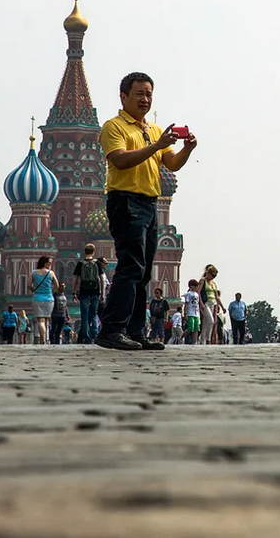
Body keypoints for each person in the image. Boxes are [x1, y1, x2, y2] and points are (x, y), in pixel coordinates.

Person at [97, 71, 198, 351]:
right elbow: (119, 160)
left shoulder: (153, 130)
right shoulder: (114, 127)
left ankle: (135, 331)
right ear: (124, 96)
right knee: (129, 267)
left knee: (142, 273)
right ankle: (111, 329)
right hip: (125, 200)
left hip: (149, 203)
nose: (145, 99)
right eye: (139, 94)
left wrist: (187, 149)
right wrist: (156, 145)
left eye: (149, 94)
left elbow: (172, 164)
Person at [72, 244, 106, 343]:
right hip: (95, 291)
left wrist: (74, 292)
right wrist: (102, 294)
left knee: (84, 315)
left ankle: (86, 338)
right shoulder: (98, 263)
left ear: (85, 251)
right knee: (94, 314)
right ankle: (94, 335)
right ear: (94, 252)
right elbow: (102, 279)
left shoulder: (80, 263)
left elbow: (75, 279)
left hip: (84, 292)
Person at [29, 255, 58, 345]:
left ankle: (43, 340)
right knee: (45, 319)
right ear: (44, 262)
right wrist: (50, 291)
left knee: (40, 320)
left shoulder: (33, 273)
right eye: (48, 262)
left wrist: (34, 290)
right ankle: (44, 339)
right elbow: (57, 286)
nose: (50, 264)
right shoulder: (51, 273)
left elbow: (28, 285)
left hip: (37, 298)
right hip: (49, 299)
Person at [200, 266, 220, 345]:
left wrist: (221, 306)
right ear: (208, 273)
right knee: (210, 321)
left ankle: (202, 340)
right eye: (212, 275)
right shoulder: (203, 280)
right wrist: (201, 303)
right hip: (206, 303)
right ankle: (207, 339)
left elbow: (217, 296)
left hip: (212, 303)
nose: (213, 277)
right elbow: (198, 293)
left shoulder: (213, 283)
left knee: (206, 322)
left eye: (214, 276)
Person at [183, 280, 201, 344]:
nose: (197, 287)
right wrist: (185, 313)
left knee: (196, 328)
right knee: (191, 328)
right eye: (195, 285)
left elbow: (198, 304)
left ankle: (194, 342)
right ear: (191, 286)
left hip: (196, 313)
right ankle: (181, 337)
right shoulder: (189, 294)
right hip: (190, 313)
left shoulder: (197, 294)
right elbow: (186, 304)